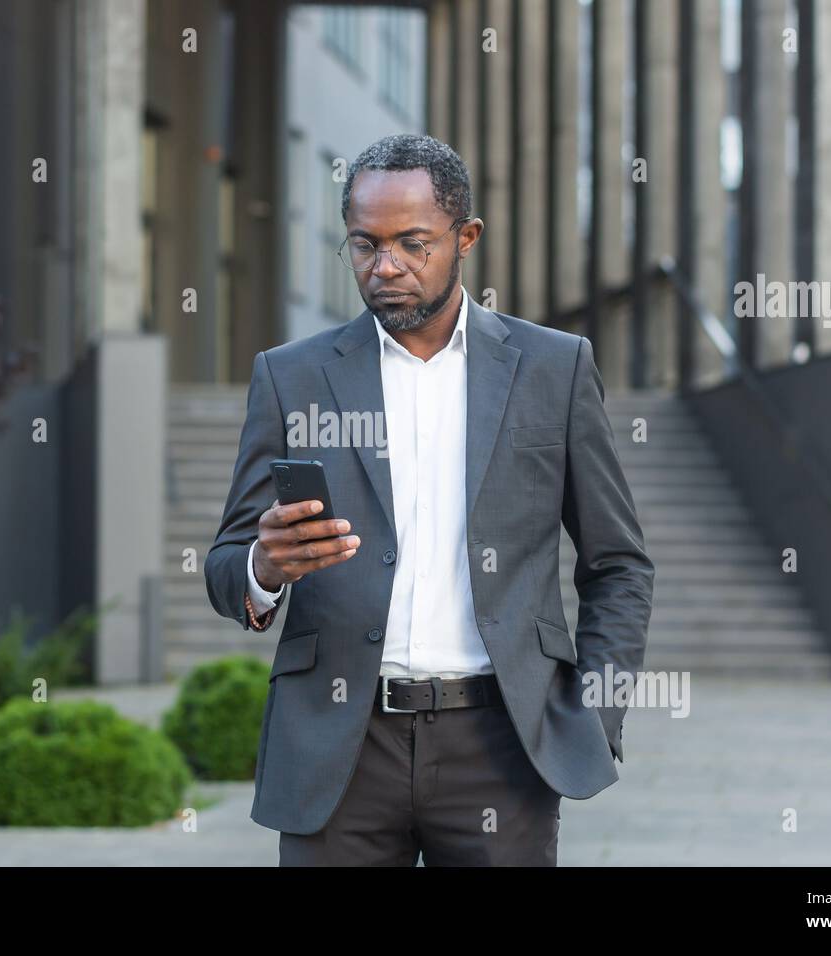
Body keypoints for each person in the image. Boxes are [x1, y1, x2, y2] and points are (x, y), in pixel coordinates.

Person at [205, 133, 654, 866]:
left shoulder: (553, 369)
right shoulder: (293, 377)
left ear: (465, 237)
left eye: (412, 245)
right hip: (337, 750)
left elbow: (619, 565)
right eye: (363, 245)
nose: (385, 268)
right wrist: (262, 565)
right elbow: (226, 567)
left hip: (501, 747)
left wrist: (593, 715)